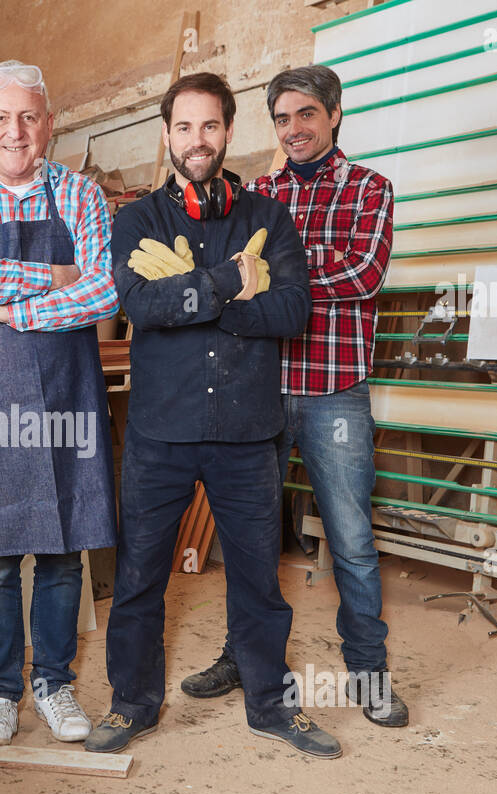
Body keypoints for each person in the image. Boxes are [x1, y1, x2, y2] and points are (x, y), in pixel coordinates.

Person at [88, 71, 340, 759]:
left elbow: (293, 311)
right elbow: (139, 307)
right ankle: (132, 705)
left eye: (209, 126)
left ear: (229, 133)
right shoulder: (137, 220)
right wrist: (230, 281)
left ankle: (270, 707)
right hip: (159, 436)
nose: (196, 140)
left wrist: (194, 297)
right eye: (183, 127)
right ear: (166, 135)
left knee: (260, 581)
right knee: (140, 578)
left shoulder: (268, 219)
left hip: (248, 436)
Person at [181, 65, 407, 729]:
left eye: (305, 114)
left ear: (333, 115)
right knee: (248, 536)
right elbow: (223, 274)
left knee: (353, 540)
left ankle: (369, 675)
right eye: (281, 118)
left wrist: (272, 272)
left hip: (335, 390)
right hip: (260, 389)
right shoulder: (256, 194)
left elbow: (364, 273)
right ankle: (241, 657)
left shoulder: (370, 188)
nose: (293, 129)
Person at [0, 60, 120, 746]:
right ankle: (1, 691)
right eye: (1, 118)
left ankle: (56, 684)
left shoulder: (80, 194)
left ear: (49, 124)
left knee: (65, 550)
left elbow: (104, 291)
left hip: (67, 394)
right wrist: (52, 277)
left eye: (29, 116)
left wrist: (14, 313)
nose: (16, 131)